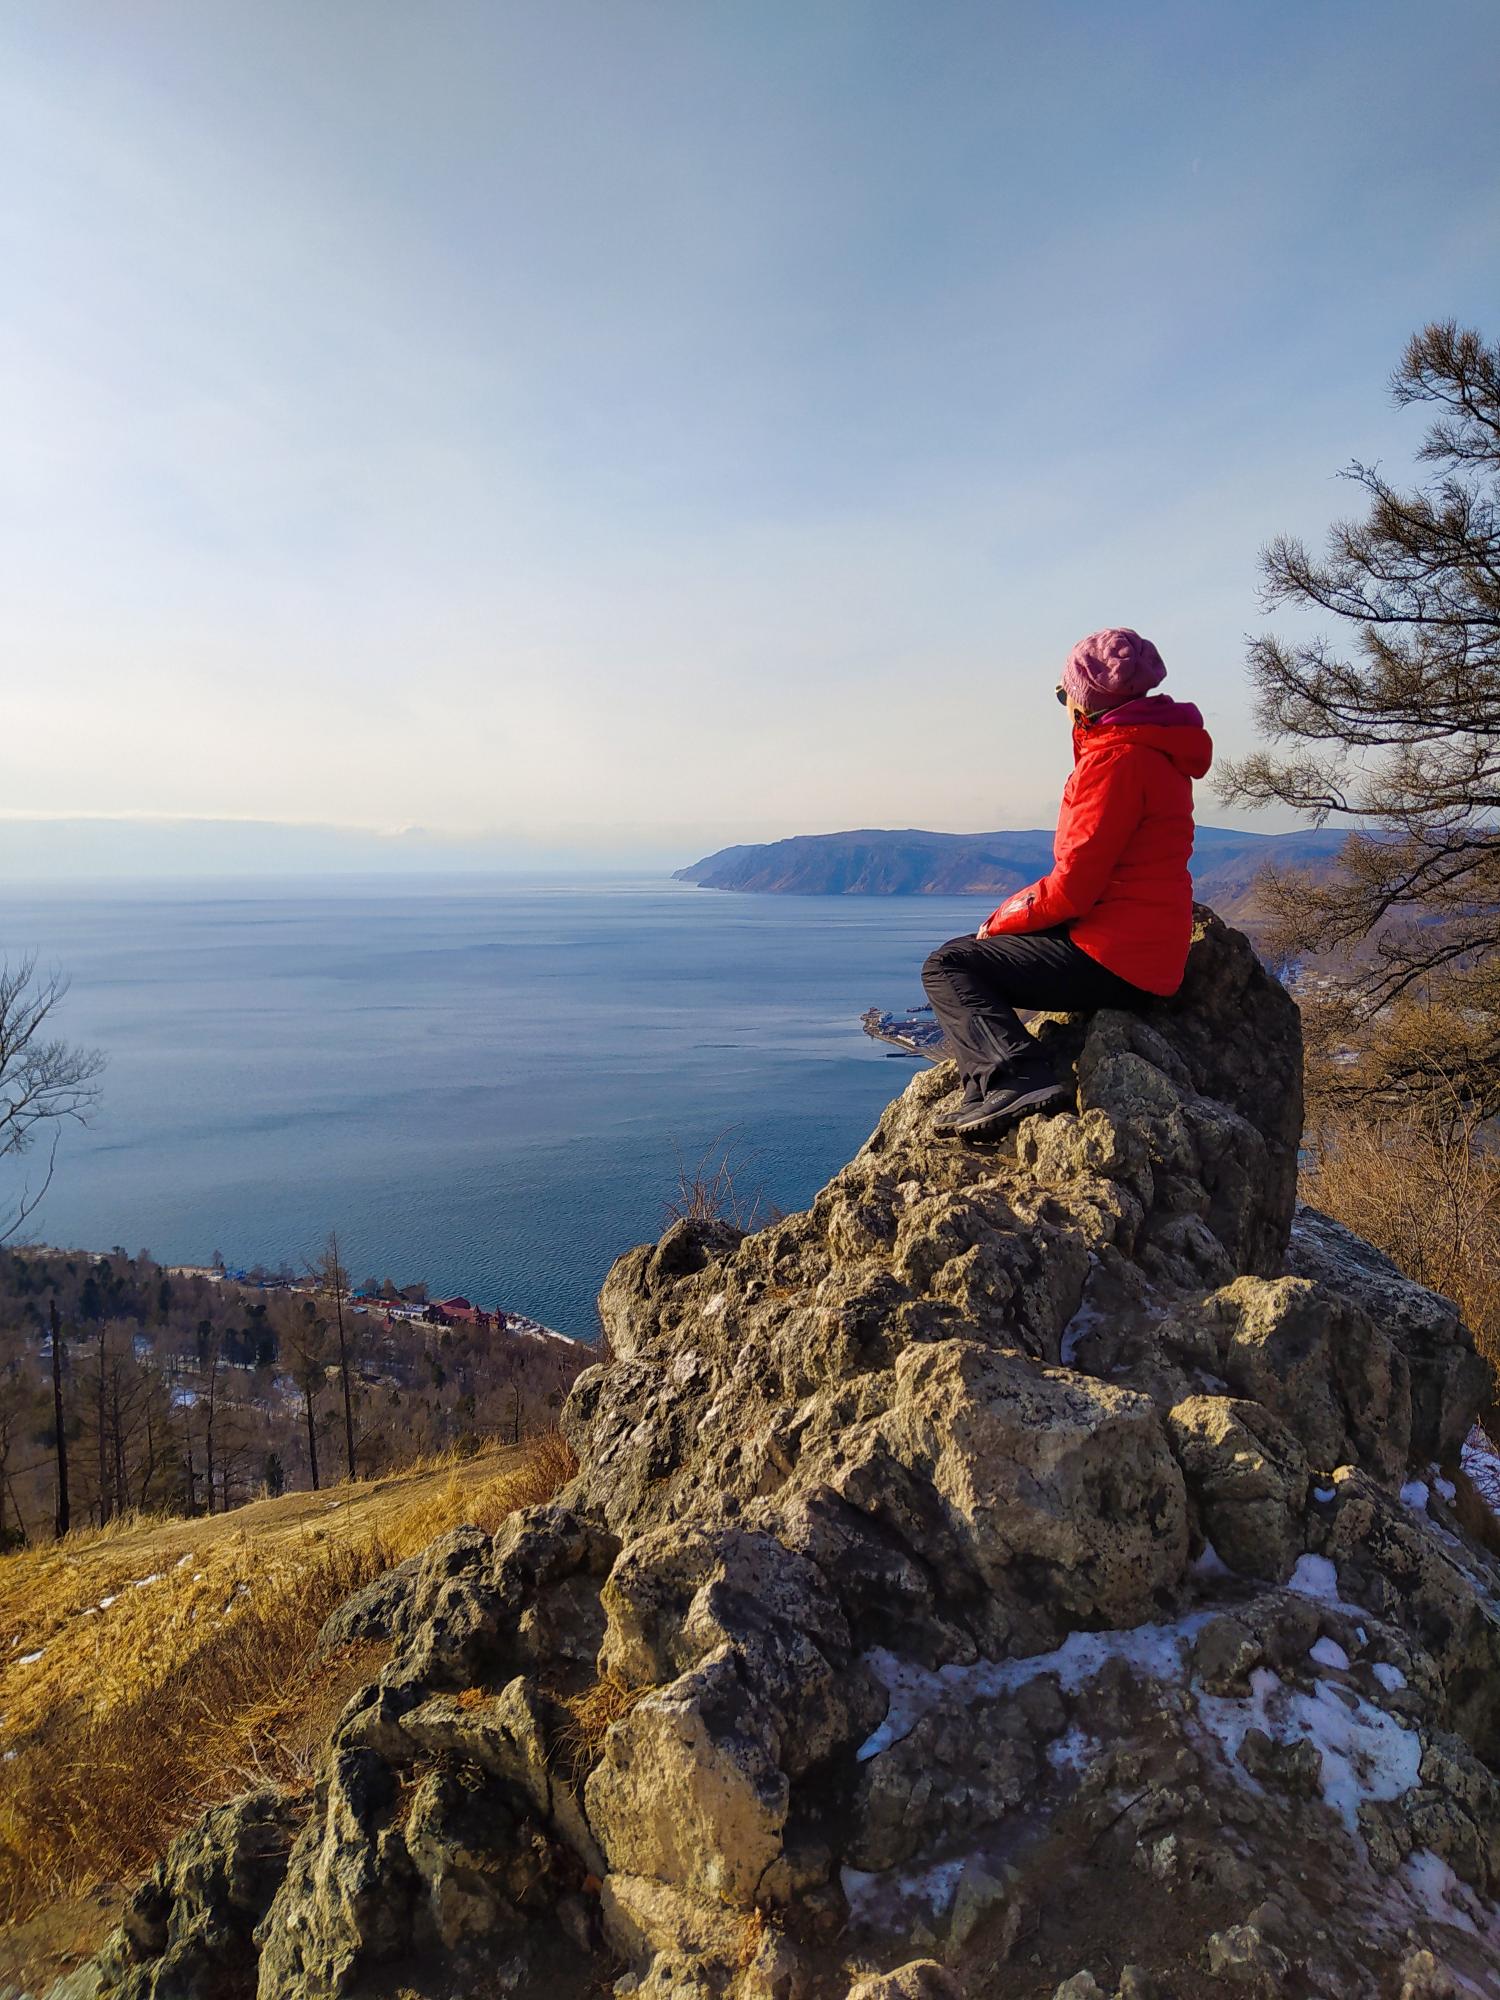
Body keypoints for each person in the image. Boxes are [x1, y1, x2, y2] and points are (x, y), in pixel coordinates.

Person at [921, 627, 1212, 1138]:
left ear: (1084, 702)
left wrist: (1003, 919)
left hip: (1117, 960)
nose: (1061, 705)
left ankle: (1017, 1079)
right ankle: (983, 1091)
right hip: (1144, 950)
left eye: (1063, 694)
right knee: (972, 958)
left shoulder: (1116, 760)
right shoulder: (1155, 753)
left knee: (949, 965)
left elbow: (1074, 886)